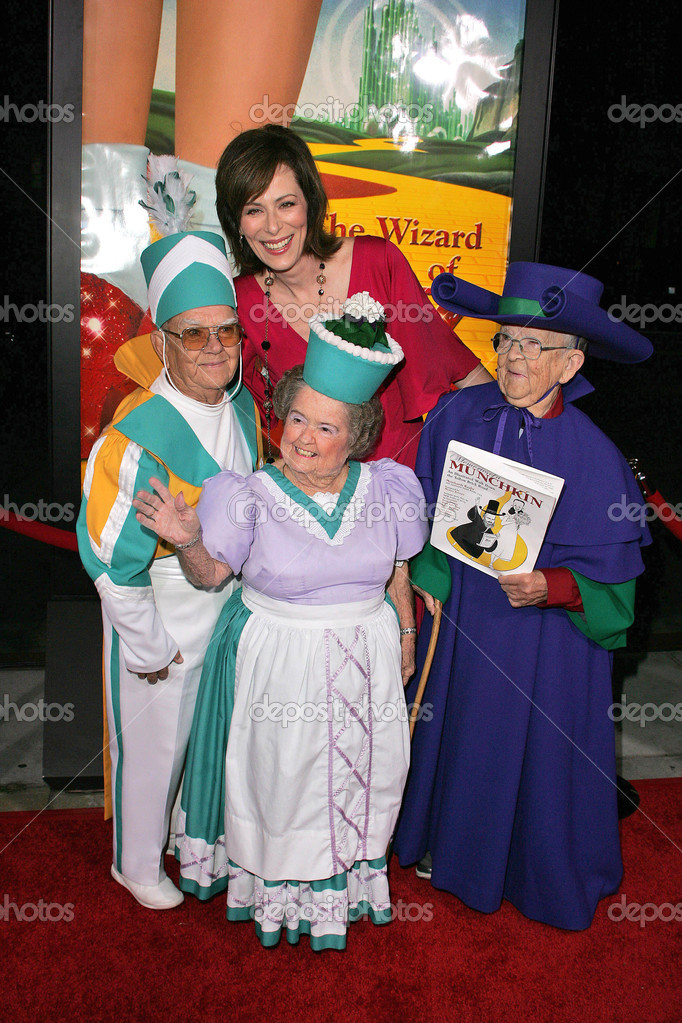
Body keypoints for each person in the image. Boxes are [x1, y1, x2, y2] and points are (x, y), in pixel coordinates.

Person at [133, 296, 429, 948]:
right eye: (297, 418)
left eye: (326, 427)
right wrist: (186, 539)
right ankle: (282, 893)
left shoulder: (388, 487)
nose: (304, 437)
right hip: (280, 663)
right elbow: (211, 575)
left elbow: (398, 570)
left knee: (367, 772)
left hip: (366, 655)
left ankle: (346, 884)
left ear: (356, 434)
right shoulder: (249, 495)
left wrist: (406, 635)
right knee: (285, 781)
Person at [394, 262, 652, 930]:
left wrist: (555, 586)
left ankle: (526, 867)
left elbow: (618, 595)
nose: (512, 357)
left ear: (569, 363)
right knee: (454, 734)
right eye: (506, 340)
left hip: (545, 644)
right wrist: (429, 579)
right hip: (463, 626)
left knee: (523, 750)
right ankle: (445, 846)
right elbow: (426, 518)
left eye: (533, 345)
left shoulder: (599, 459)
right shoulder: (456, 413)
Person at [77, 231, 261, 909]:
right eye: (193, 335)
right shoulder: (136, 432)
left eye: (227, 332)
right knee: (152, 749)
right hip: (159, 609)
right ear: (161, 343)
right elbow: (107, 554)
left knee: (202, 734)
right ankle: (136, 861)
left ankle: (191, 837)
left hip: (224, 606)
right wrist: (148, 644)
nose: (215, 347)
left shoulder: (241, 408)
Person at [215, 124, 493, 470]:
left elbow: (458, 366)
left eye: (286, 204)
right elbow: (216, 393)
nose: (272, 227)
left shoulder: (379, 263)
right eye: (254, 210)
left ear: (311, 204)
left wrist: (515, 444)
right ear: (236, 223)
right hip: (313, 495)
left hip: (401, 481)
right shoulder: (239, 300)